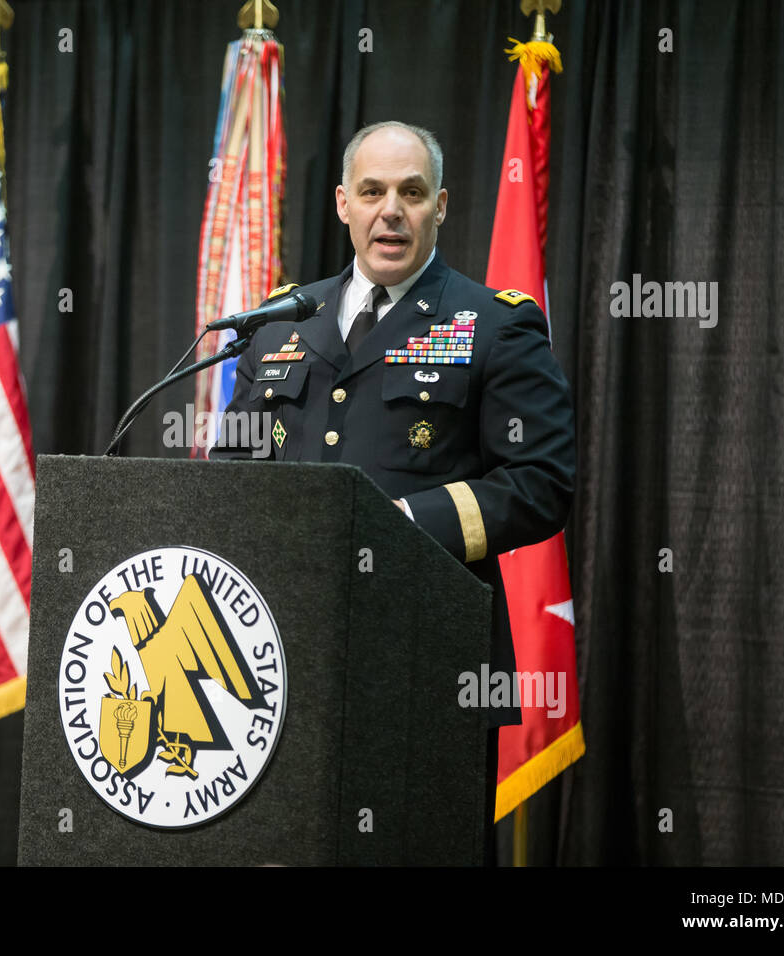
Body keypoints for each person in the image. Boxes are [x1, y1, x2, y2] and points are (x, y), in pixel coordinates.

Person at [210, 120, 576, 862]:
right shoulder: (282, 321)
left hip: (430, 661)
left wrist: (400, 524)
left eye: (411, 193)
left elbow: (540, 482)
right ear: (343, 203)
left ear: (440, 206)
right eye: (373, 192)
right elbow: (233, 471)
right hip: (279, 658)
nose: (391, 211)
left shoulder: (494, 326)